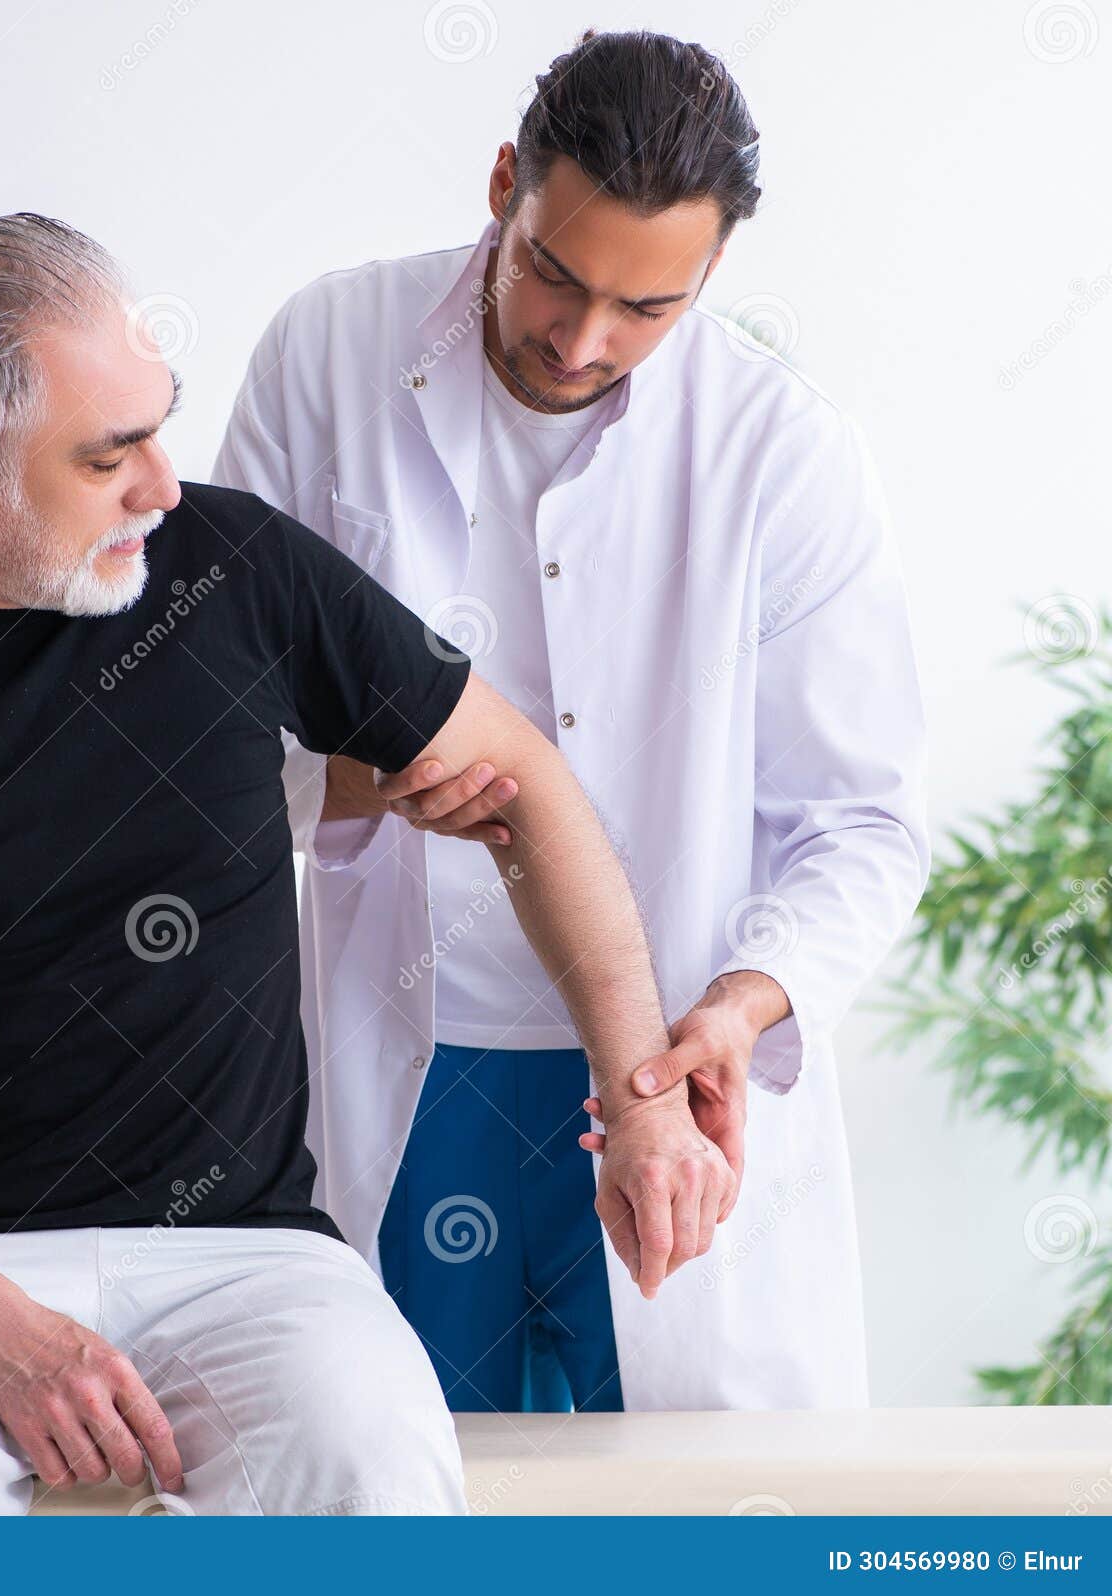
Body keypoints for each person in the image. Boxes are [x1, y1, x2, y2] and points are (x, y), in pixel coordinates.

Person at [0, 213, 726, 1516]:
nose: (164, 481)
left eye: (161, 424)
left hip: (245, 1257)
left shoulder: (232, 566)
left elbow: (527, 784)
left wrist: (645, 1099)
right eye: (109, 457)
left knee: (373, 1459)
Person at [213, 29, 929, 1415]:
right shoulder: (327, 355)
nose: (584, 339)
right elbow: (214, 732)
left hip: (667, 1083)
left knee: (679, 1522)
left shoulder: (783, 453)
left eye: (647, 307)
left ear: (709, 276)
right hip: (416, 1072)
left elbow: (862, 823)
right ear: (504, 187)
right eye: (556, 272)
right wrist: (371, 776)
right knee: (416, 1490)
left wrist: (748, 998)